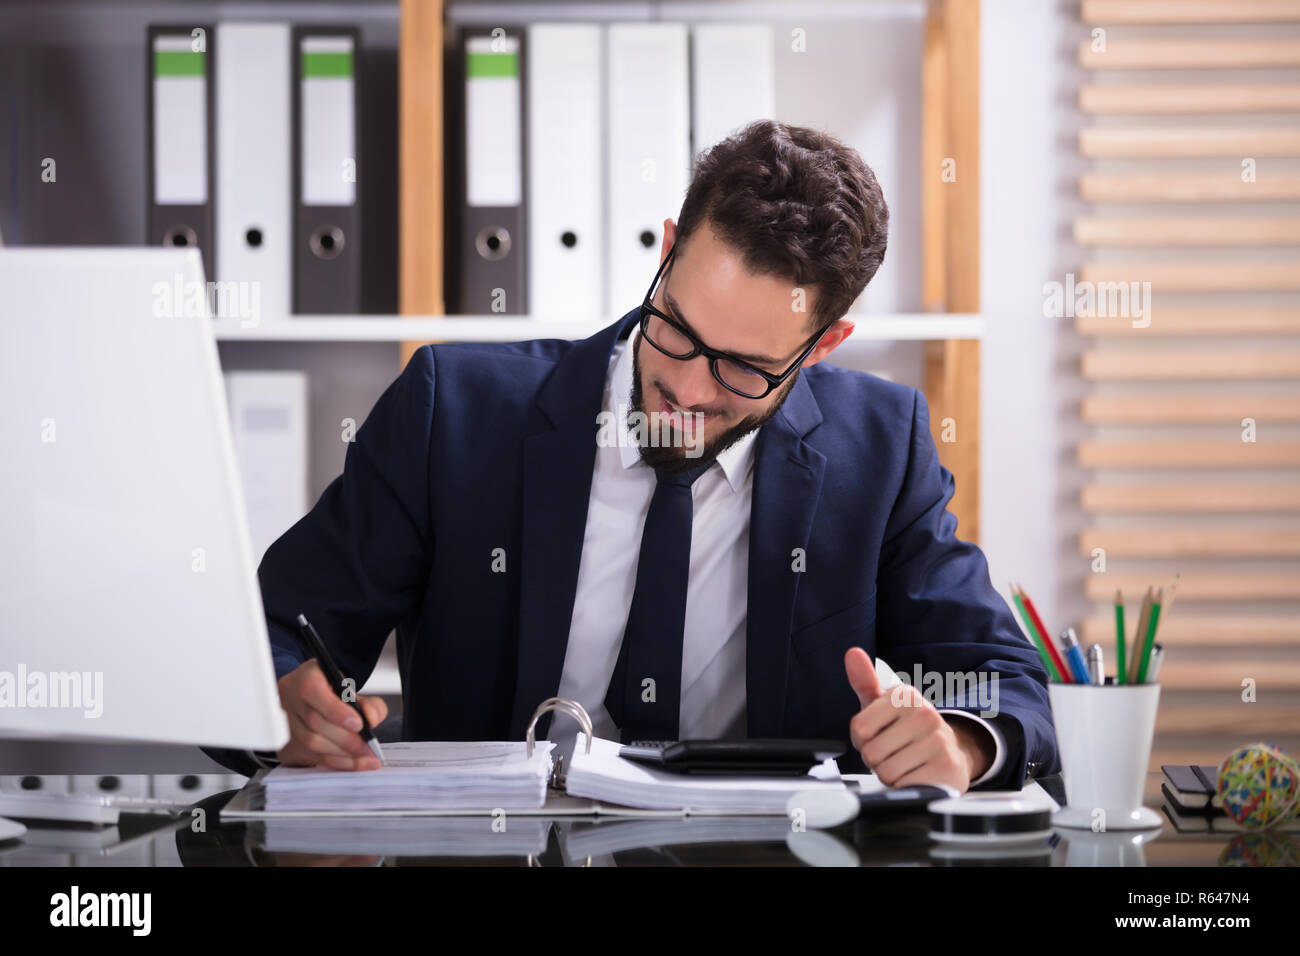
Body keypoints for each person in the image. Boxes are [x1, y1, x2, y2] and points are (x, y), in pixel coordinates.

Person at [204, 120, 1059, 792]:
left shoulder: (884, 446)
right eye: (679, 332)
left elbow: (1007, 680)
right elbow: (271, 631)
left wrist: (961, 741)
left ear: (824, 344)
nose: (690, 390)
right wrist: (277, 701)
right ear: (665, 251)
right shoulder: (454, 411)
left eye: (745, 370)